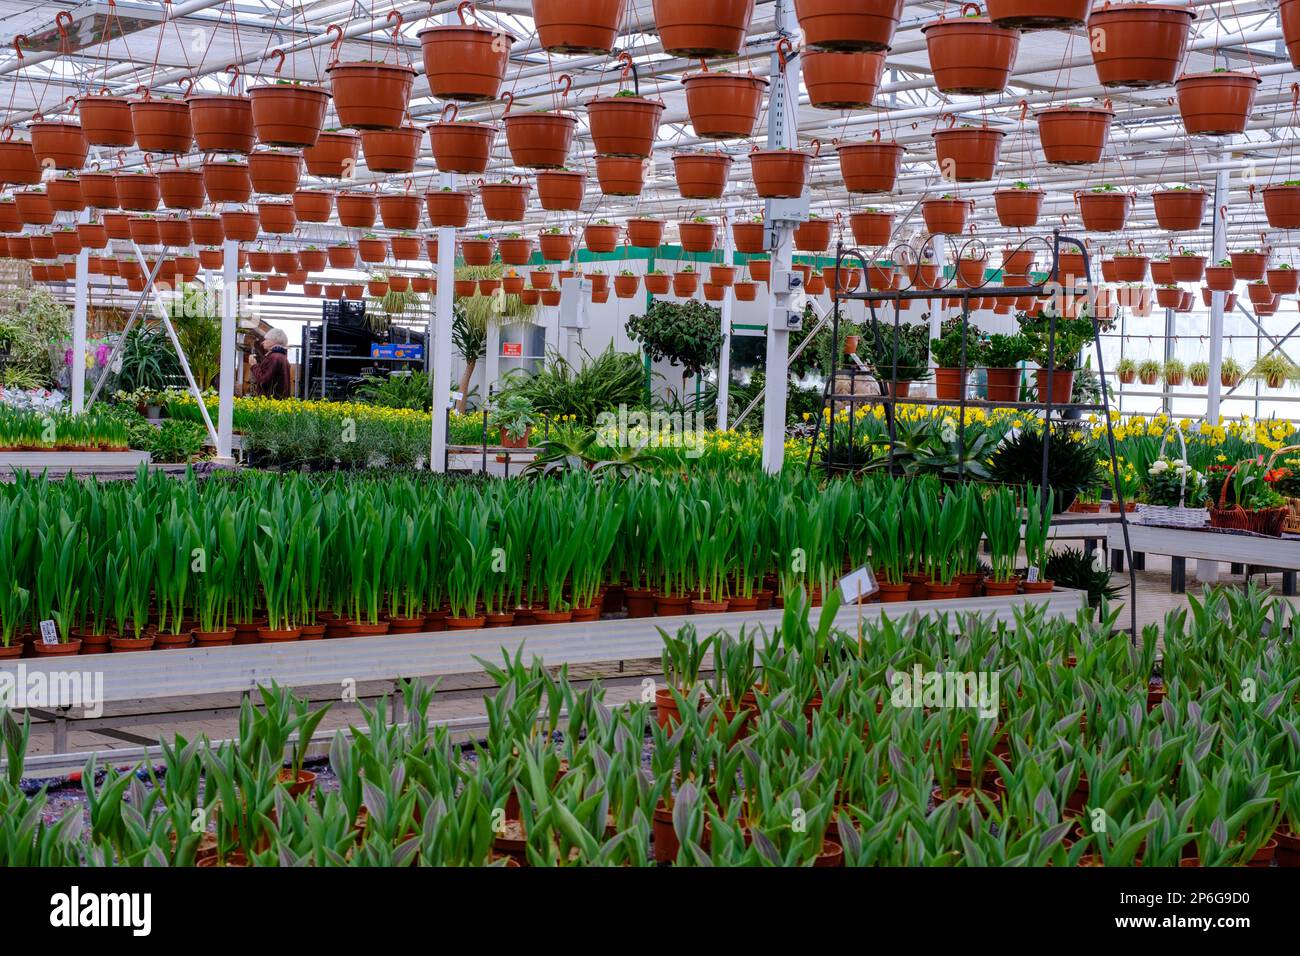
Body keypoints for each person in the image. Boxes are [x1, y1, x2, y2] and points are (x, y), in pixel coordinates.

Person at [251, 328, 292, 398]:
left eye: (266, 339)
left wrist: (254, 365)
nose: (263, 342)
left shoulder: (274, 358)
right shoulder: (282, 357)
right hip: (279, 401)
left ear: (274, 341)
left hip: (271, 401)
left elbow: (263, 380)